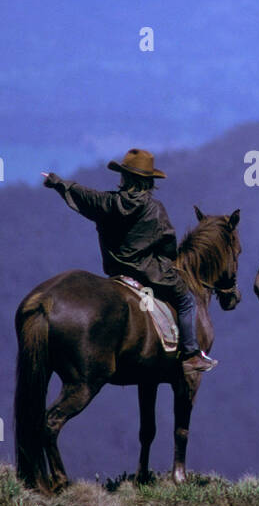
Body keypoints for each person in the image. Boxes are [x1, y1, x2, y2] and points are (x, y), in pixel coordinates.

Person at [41, 148, 217, 373]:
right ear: (149, 182)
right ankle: (191, 354)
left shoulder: (107, 202)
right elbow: (169, 247)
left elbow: (83, 195)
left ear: (124, 177)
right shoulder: (155, 210)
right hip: (148, 273)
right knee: (186, 300)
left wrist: (57, 182)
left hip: (115, 271)